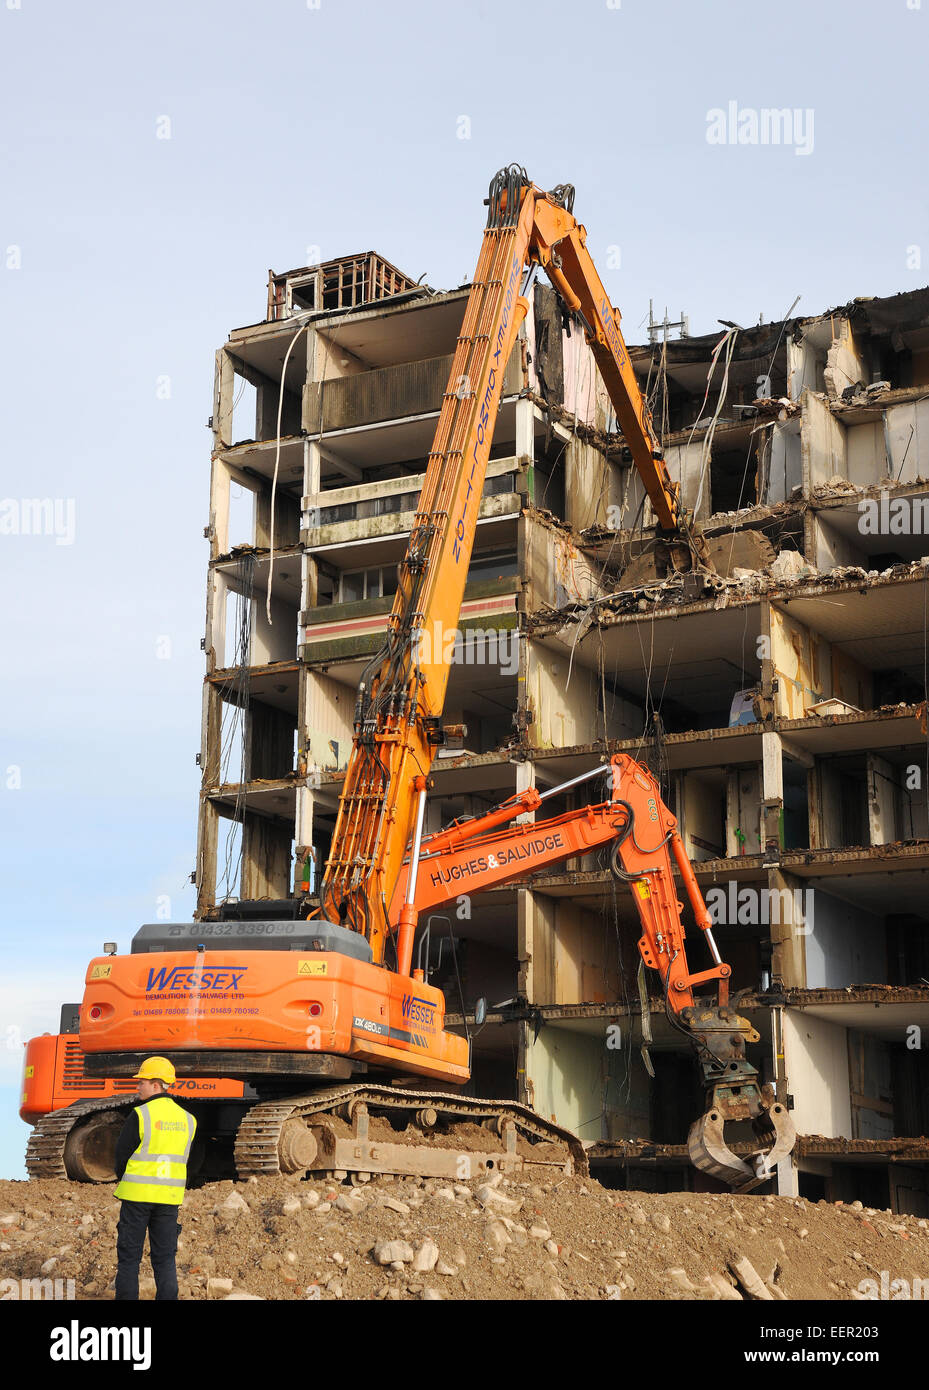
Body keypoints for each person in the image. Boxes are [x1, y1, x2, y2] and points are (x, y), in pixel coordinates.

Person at [113, 1056, 196, 1301]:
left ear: (157, 1085)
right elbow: (185, 1160)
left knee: (129, 1257)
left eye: (143, 1082)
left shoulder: (141, 1114)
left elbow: (121, 1156)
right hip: (169, 1199)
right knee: (164, 1258)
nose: (138, 1086)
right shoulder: (188, 1120)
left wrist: (125, 1179)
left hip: (137, 1197)